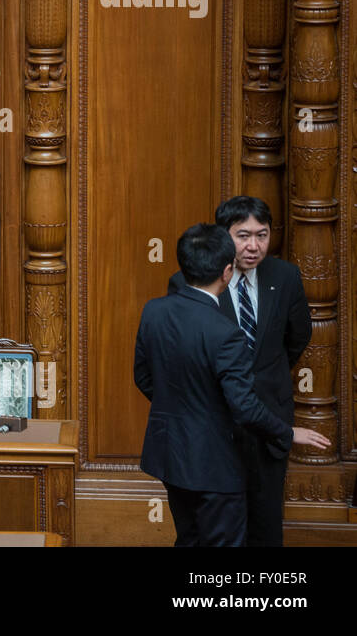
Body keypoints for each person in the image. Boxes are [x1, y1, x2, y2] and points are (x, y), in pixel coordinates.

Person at [135, 224, 328, 546]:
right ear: (227, 272)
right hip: (216, 463)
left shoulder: (153, 311)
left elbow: (143, 377)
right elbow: (246, 408)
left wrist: (188, 409)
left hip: (170, 454)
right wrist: (289, 432)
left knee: (189, 538)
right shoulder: (226, 333)